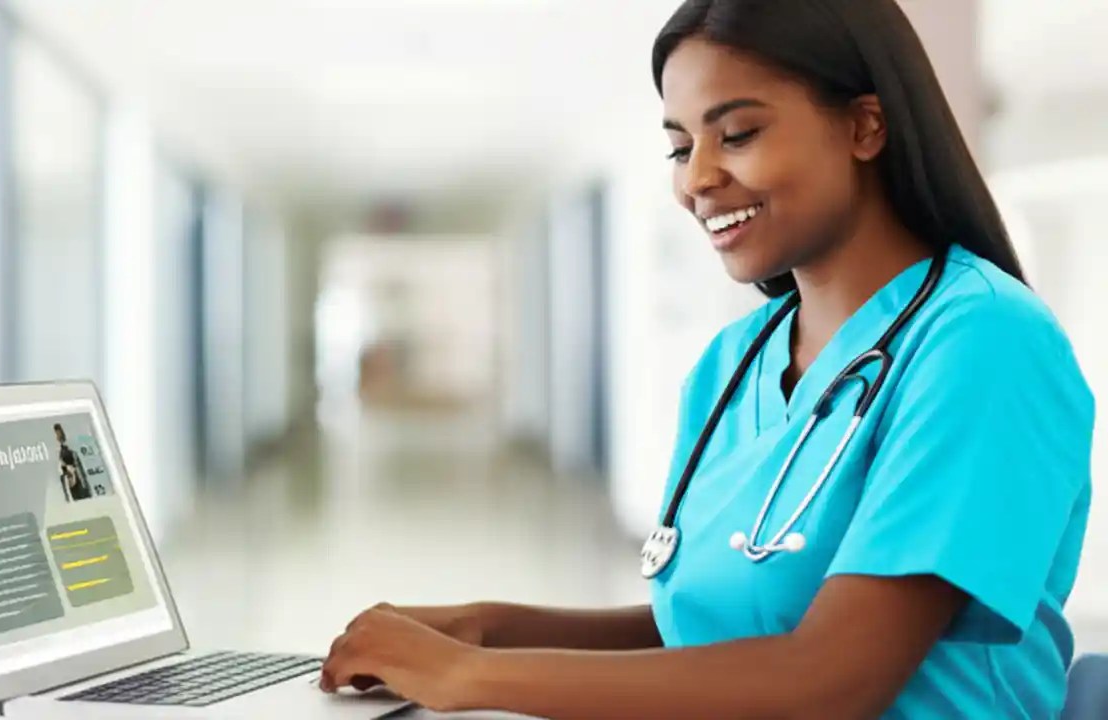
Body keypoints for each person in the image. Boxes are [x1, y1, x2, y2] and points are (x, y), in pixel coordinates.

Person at [316, 0, 1096, 717]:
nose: (697, 180)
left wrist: (470, 676)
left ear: (865, 126)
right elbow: (710, 636)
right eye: (680, 147)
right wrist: (486, 628)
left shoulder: (984, 343)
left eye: (738, 134)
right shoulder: (733, 364)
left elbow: (834, 680)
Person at [55, 423, 92, 502]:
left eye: (60, 433)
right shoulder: (58, 451)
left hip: (75, 475)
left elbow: (77, 465)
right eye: (57, 434)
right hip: (68, 476)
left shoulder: (70, 448)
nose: (59, 436)